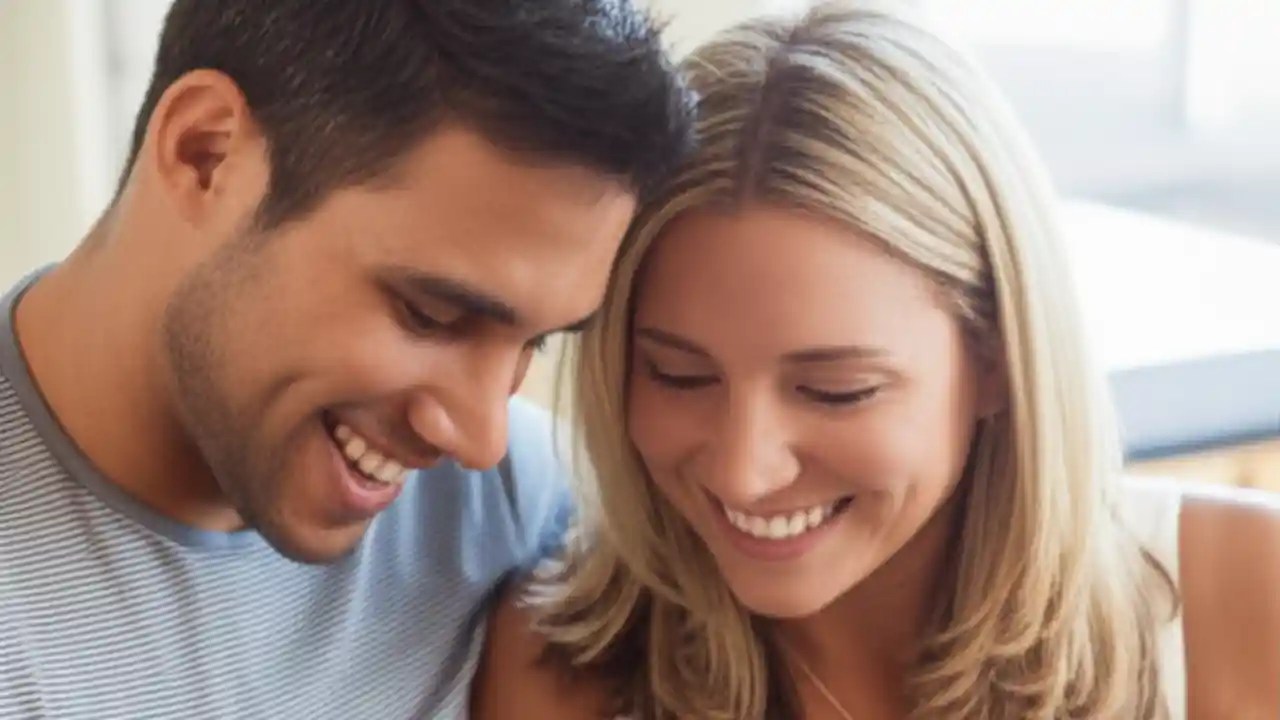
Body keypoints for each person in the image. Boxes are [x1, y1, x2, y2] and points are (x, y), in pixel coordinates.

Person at [473, 3, 1280, 718]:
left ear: (998, 358)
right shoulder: (562, 673)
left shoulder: (1247, 598)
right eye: (680, 376)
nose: (744, 471)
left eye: (835, 391)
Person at [0, 0, 691, 717]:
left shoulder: (521, 519)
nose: (481, 439)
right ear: (204, 152)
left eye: (534, 344)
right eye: (432, 316)